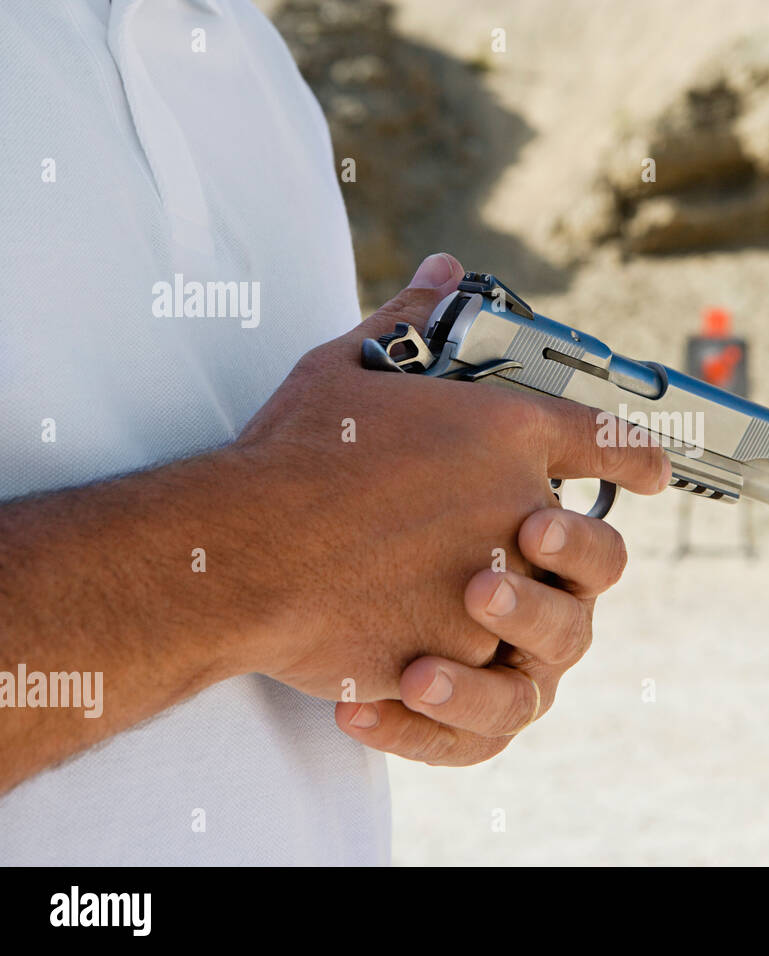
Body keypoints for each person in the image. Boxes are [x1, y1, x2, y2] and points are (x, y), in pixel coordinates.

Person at [0, 0, 668, 865]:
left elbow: (328, 552)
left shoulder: (251, 57)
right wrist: (273, 551)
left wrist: (461, 610)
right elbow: (297, 528)